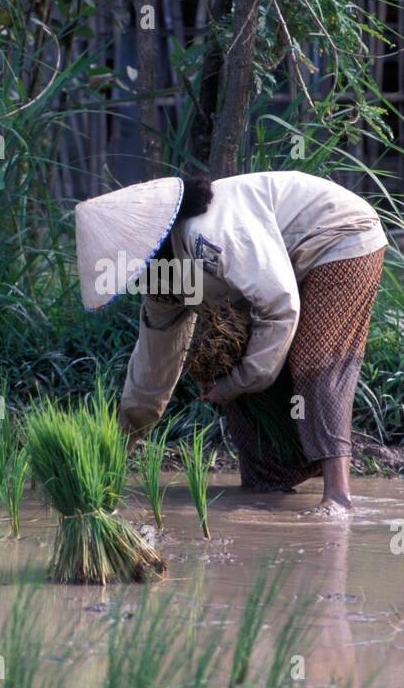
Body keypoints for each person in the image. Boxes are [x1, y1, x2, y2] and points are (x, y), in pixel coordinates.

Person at [74, 170, 387, 516]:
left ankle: (338, 496)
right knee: (235, 370)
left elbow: (280, 306)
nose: (138, 283)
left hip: (336, 238)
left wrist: (237, 383)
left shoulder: (206, 238)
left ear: (151, 247)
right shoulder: (163, 285)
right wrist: (112, 453)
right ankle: (270, 482)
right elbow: (153, 372)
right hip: (283, 274)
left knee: (313, 359)